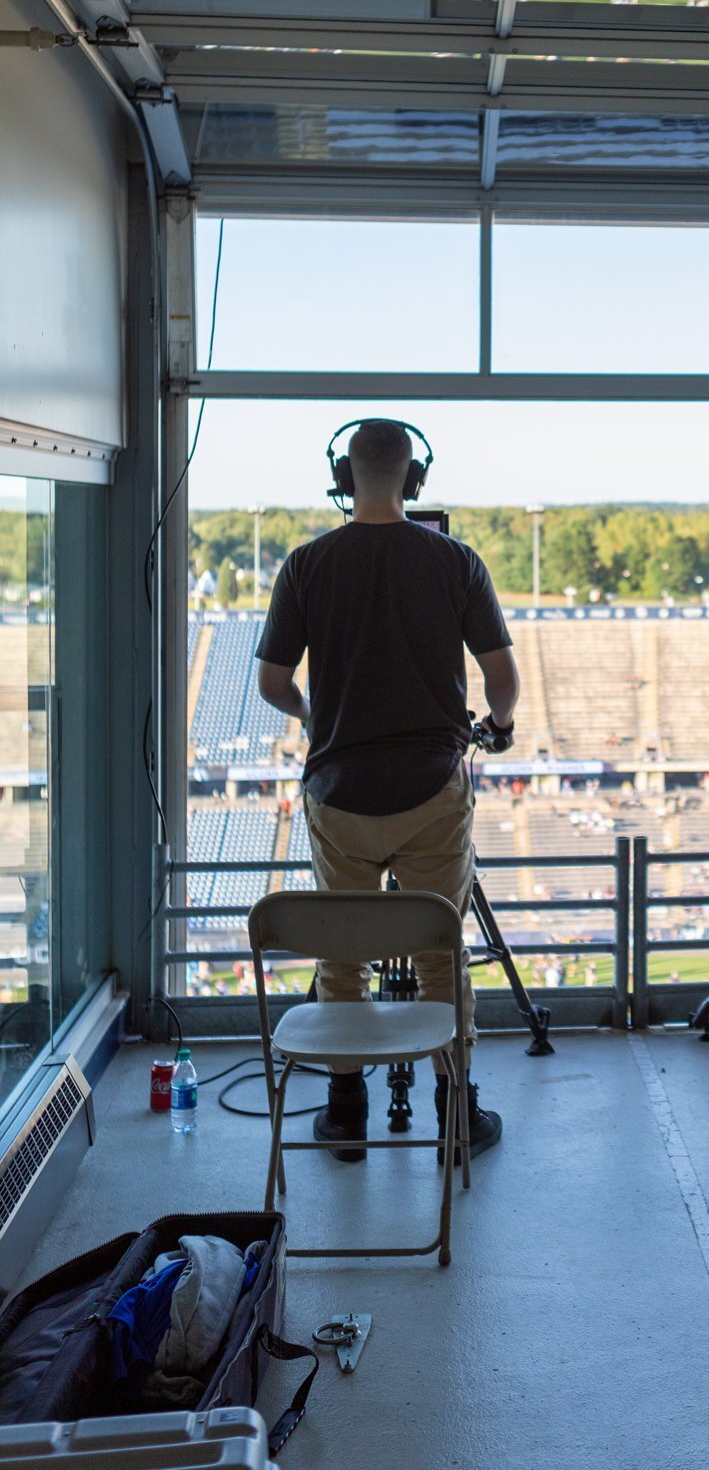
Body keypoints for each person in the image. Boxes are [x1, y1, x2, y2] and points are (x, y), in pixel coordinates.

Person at [255, 419, 519, 1163]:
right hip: (434, 789)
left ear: (344, 476)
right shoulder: (456, 561)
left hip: (338, 792)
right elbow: (502, 680)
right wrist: (495, 728)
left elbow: (273, 683)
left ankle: (345, 1113)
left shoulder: (306, 565)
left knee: (342, 956)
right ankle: (456, 1117)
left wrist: (314, 716)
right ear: (416, 481)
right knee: (441, 950)